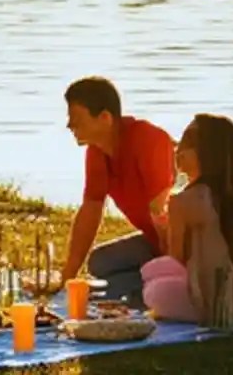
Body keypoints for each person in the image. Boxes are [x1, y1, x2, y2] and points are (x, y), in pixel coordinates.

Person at [142, 114, 233, 324]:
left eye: (186, 143)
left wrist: (163, 230)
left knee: (154, 282)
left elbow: (176, 261)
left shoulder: (184, 201)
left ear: (206, 151)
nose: (177, 151)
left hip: (218, 308)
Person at [59, 77, 175, 306]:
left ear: (105, 118)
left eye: (77, 119)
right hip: (154, 242)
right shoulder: (97, 150)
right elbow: (91, 209)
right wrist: (68, 278)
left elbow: (166, 215)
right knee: (99, 262)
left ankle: (153, 289)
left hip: (185, 247)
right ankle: (139, 290)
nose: (69, 125)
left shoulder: (148, 140)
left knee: (108, 293)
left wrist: (171, 267)